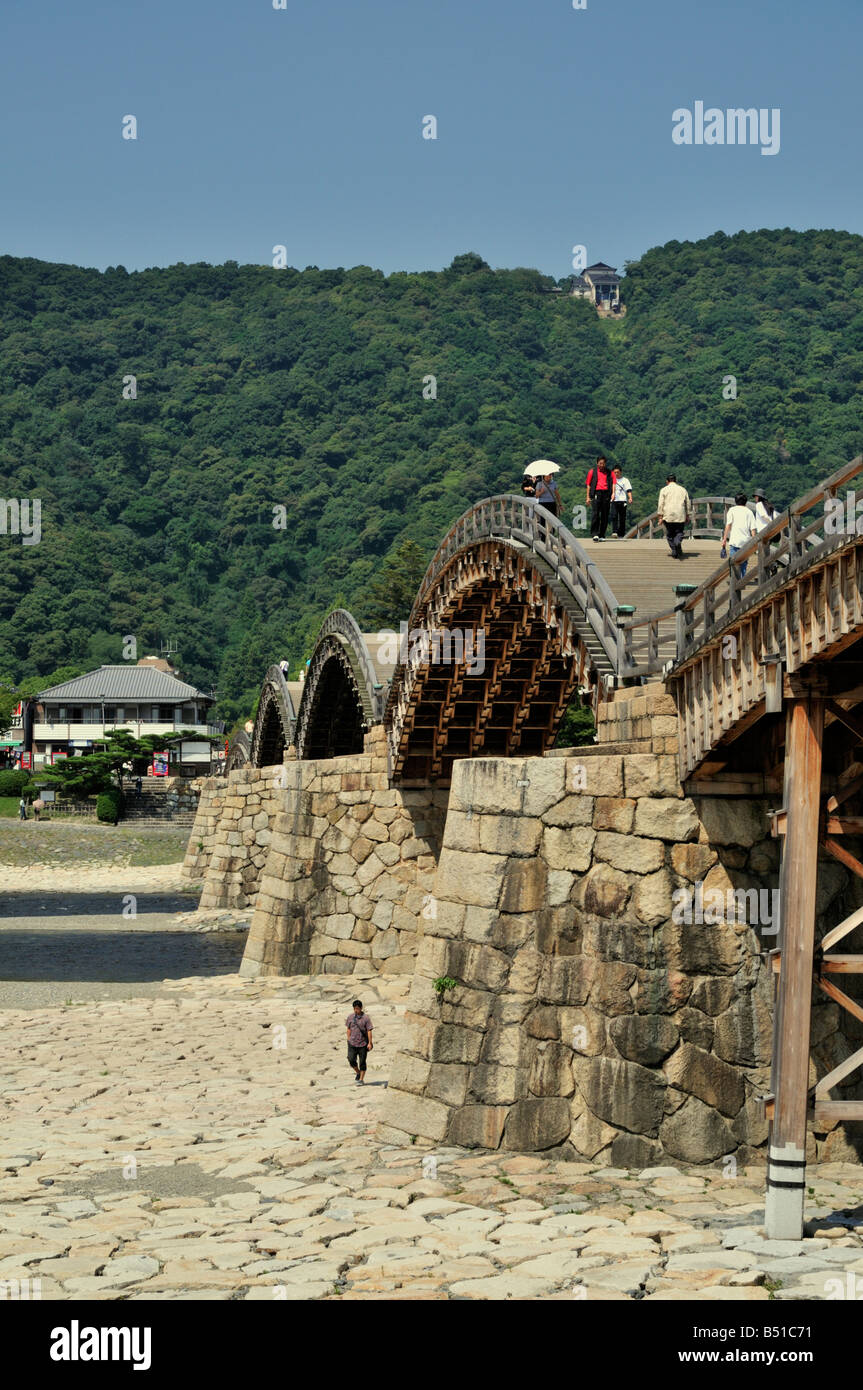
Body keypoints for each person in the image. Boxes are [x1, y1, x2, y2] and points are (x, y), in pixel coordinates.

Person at [656, 473, 692, 559]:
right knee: (679, 531)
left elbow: (661, 504)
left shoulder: (664, 490)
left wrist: (660, 516)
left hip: (668, 515)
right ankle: (677, 543)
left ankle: (674, 550)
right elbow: (688, 503)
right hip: (680, 514)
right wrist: (688, 515)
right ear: (675, 481)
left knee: (670, 534)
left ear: (667, 481)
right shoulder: (683, 490)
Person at [722, 494, 758, 577]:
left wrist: (724, 539)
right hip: (746, 542)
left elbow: (728, 525)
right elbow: (753, 529)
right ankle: (741, 580)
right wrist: (754, 543)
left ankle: (734, 581)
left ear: (736, 501)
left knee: (733, 563)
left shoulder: (732, 510)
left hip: (734, 540)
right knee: (743, 564)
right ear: (745, 502)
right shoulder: (749, 512)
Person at [345, 999, 373, 1085]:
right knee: (351, 1059)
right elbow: (348, 1029)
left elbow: (369, 1030)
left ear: (361, 1008)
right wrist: (348, 1039)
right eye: (354, 1009)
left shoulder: (366, 1018)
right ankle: (357, 1072)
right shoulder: (350, 1017)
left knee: (362, 1062)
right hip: (352, 1043)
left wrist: (370, 1042)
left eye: (357, 1008)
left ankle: (361, 1079)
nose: (356, 1010)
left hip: (363, 1044)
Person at [585, 456, 612, 541]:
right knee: (595, 514)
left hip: (606, 494)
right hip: (596, 493)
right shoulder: (592, 472)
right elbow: (588, 485)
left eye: (603, 463)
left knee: (605, 514)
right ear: (597, 463)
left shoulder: (609, 472)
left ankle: (602, 535)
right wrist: (588, 497)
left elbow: (612, 483)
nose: (602, 465)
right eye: (600, 463)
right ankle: (595, 533)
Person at [610, 466, 633, 538]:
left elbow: (628, 490)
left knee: (622, 517)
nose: (616, 474)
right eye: (615, 472)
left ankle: (621, 533)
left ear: (620, 472)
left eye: (617, 472)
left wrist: (630, 498)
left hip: (623, 500)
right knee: (614, 516)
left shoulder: (625, 480)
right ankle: (614, 531)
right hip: (614, 500)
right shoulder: (611, 480)